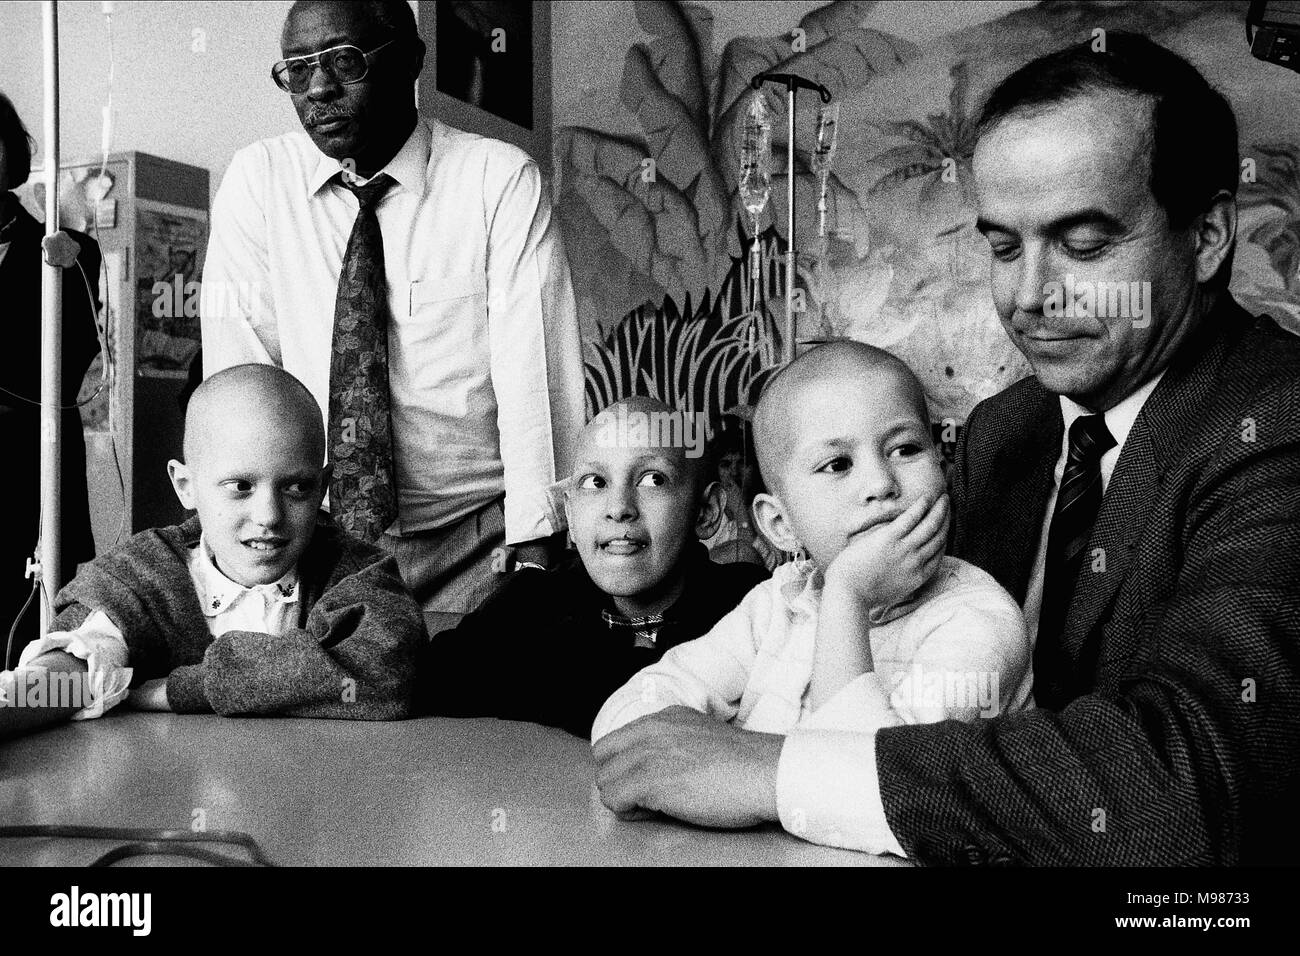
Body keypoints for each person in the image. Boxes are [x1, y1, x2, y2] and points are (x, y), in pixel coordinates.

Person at [592, 33, 1300, 866]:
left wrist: (776, 772)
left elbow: (1193, 786)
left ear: (1209, 235)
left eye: (1083, 244)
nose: (1030, 296)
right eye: (1003, 246)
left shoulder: (1278, 424)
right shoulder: (1008, 430)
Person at [200, 0, 584, 635]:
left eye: (344, 62)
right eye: (298, 70)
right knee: (320, 724)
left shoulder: (497, 180)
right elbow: (244, 389)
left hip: (476, 539)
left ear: (411, 58)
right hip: (314, 544)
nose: (318, 88)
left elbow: (534, 376)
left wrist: (536, 548)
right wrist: (247, 545)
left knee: (476, 720)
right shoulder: (258, 182)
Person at [592, 343, 1030, 742]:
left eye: (906, 449)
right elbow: (627, 718)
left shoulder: (978, 621)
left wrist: (849, 597)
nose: (880, 483)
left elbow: (859, 782)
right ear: (781, 524)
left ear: (945, 474)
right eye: (838, 464)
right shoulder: (777, 604)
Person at [0, 364, 423, 738]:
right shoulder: (144, 575)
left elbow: (387, 672)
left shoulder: (356, 574)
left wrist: (180, 689)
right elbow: (77, 662)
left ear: (324, 487)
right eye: (240, 486)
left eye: (297, 487)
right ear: (186, 486)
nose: (269, 516)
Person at [416, 396, 768, 737]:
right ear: (569, 512)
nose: (619, 508)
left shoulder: (753, 609)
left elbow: (653, 708)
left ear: (705, 511)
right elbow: (428, 680)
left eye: (653, 480)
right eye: (595, 483)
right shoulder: (534, 599)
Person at [0, 91, 102, 667]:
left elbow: (73, 359)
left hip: (33, 464)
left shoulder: (69, 254)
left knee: (37, 620)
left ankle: (34, 714)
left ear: (10, 153)